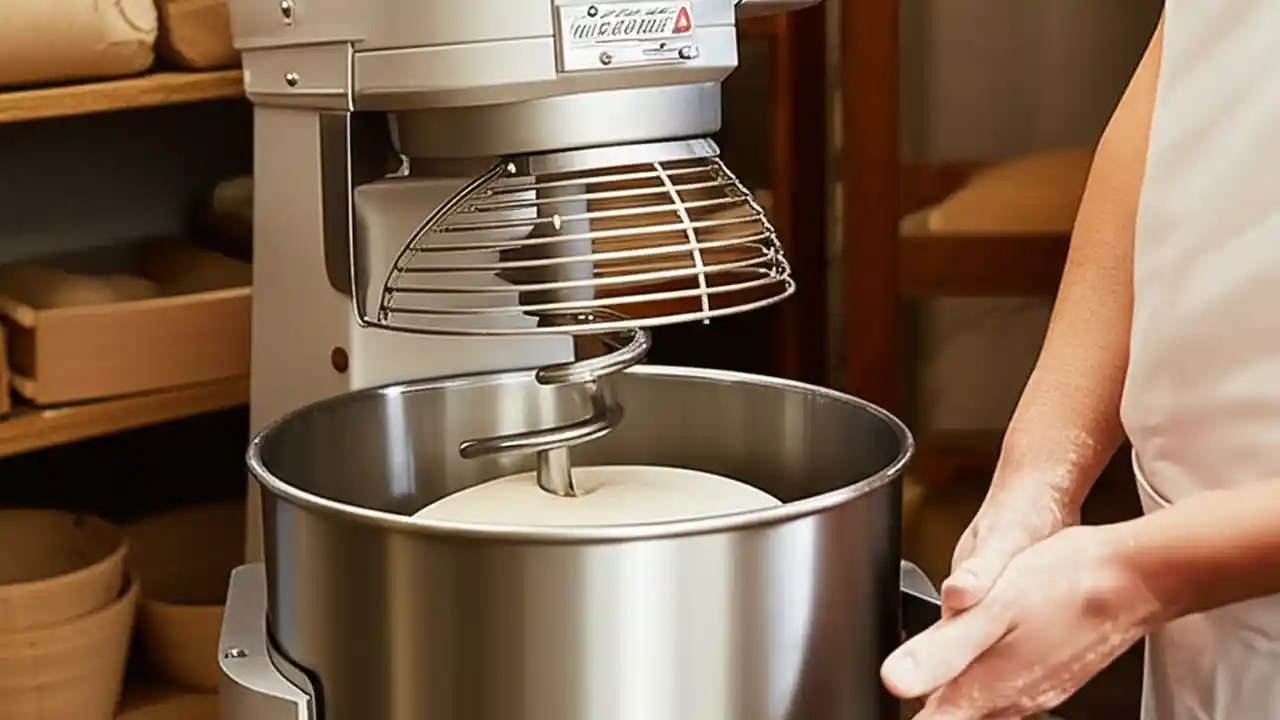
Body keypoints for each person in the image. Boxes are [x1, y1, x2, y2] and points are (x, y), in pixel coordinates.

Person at [880, 5, 1280, 719]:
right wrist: (1038, 474)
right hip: (1191, 599)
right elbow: (1193, 63)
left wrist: (1142, 574)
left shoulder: (1147, 571)